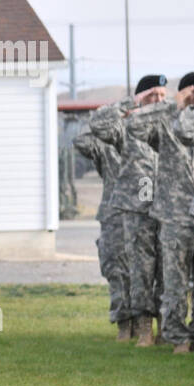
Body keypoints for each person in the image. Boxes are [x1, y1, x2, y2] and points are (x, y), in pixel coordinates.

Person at [90, 76, 166, 345]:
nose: (157, 101)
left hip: (169, 212)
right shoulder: (127, 129)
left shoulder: (170, 127)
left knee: (167, 273)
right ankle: (142, 327)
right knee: (141, 271)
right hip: (136, 213)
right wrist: (128, 104)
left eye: (161, 96)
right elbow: (97, 125)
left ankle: (167, 329)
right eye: (151, 96)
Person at [139, 72, 194, 352]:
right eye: (191, 90)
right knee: (174, 282)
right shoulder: (166, 121)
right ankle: (178, 337)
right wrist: (174, 104)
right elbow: (132, 126)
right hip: (176, 217)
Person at [73, 127, 130, 338]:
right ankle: (123, 323)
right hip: (114, 215)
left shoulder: (157, 137)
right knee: (116, 270)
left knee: (148, 272)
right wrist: (116, 113)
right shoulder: (108, 146)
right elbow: (80, 140)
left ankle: (149, 326)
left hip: (148, 215)